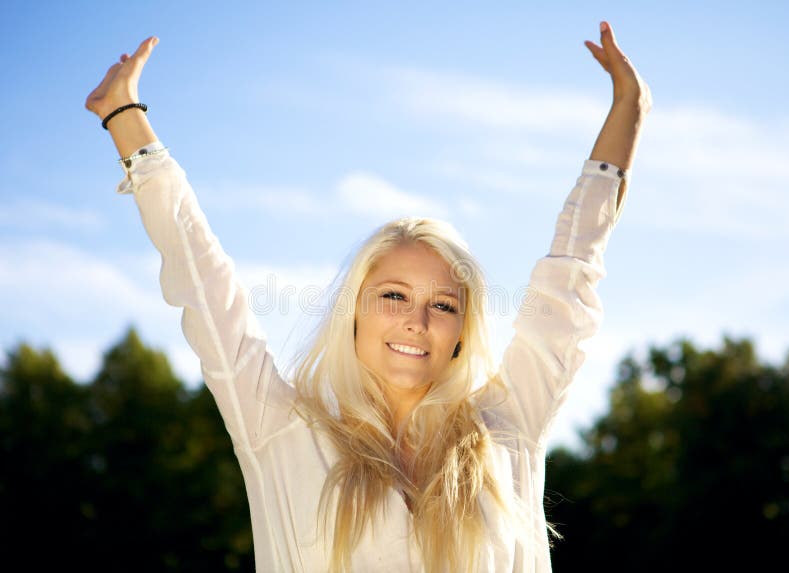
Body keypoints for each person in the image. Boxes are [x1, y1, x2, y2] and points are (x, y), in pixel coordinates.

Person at [86, 20, 651, 573]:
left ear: (462, 332)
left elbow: (570, 279)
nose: (417, 320)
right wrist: (125, 118)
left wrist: (628, 109)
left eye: (444, 305)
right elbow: (205, 286)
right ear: (353, 312)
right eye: (394, 296)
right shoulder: (279, 432)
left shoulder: (510, 427)